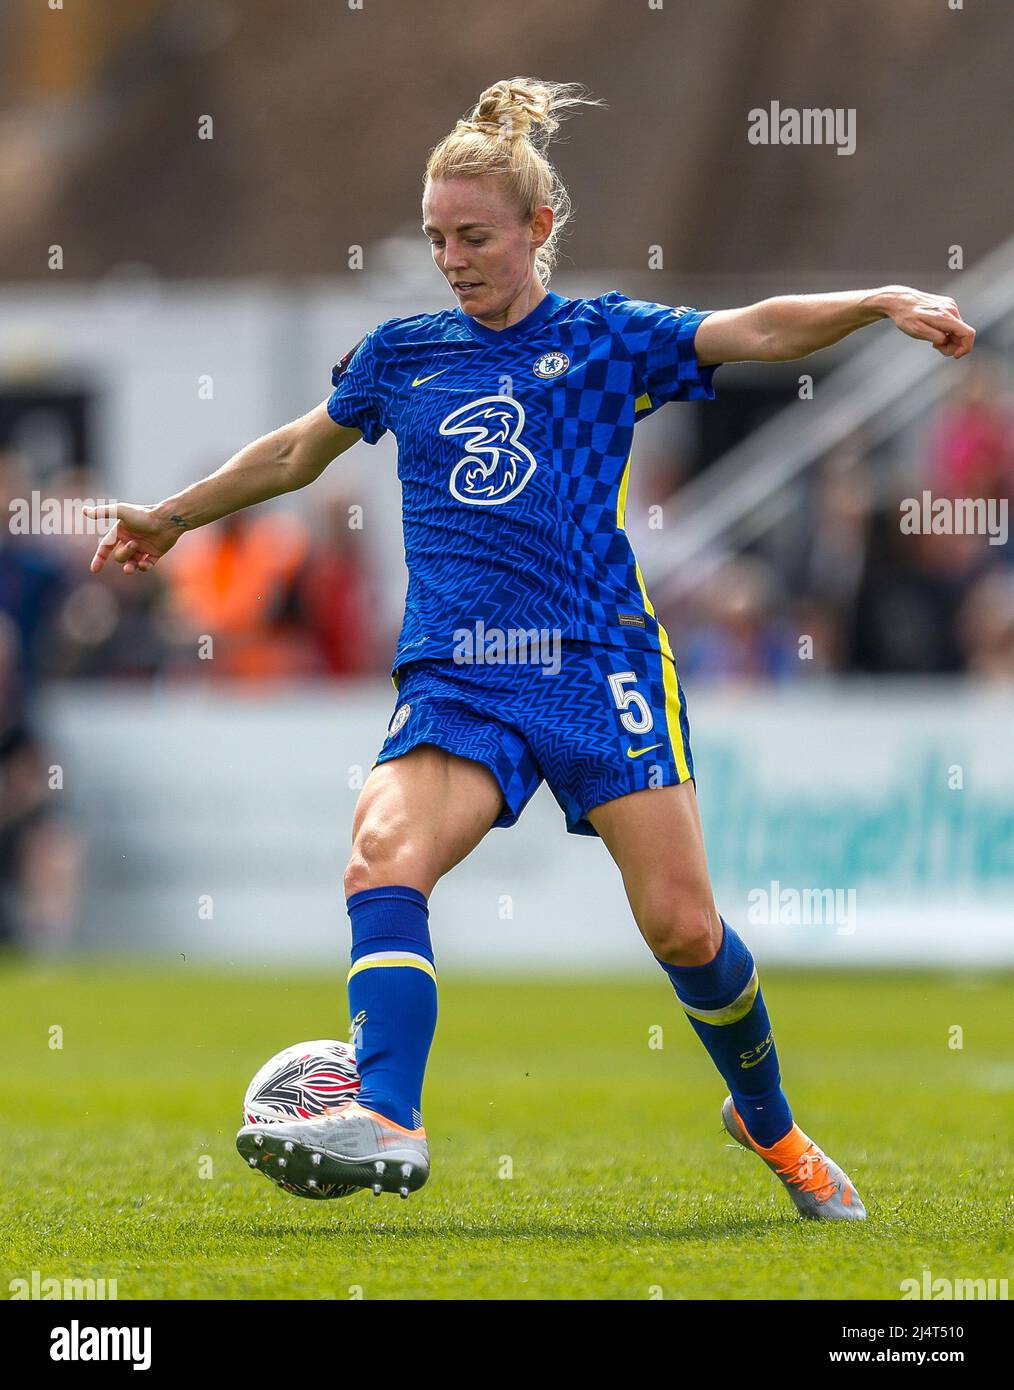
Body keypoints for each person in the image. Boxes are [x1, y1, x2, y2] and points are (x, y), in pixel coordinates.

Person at [86, 78, 974, 1218]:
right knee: (381, 854)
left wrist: (882, 298)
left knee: (683, 926)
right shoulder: (402, 354)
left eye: (474, 236)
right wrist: (175, 510)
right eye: (437, 238)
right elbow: (298, 452)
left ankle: (770, 1122)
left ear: (538, 229)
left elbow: (752, 330)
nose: (453, 258)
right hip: (459, 670)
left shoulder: (604, 341)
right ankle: (391, 1118)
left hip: (598, 660)